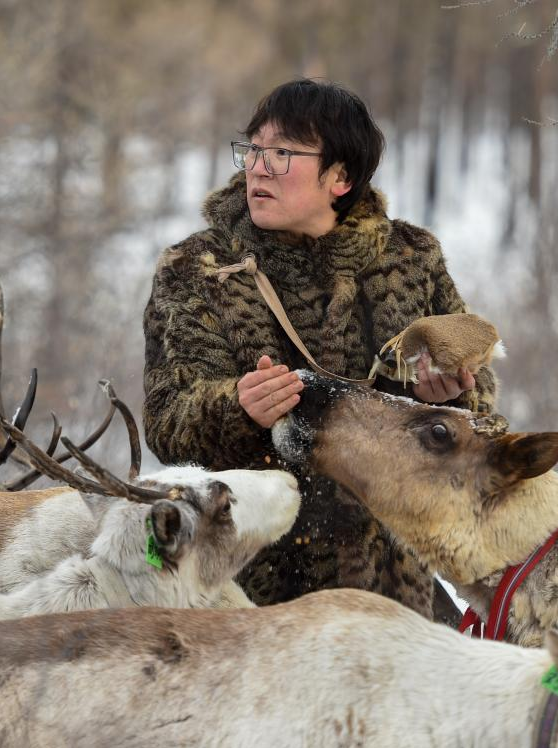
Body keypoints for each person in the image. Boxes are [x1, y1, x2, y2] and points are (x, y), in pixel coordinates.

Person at [142, 78, 497, 621]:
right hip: (252, 597)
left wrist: (452, 397)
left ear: (341, 177)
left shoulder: (412, 259)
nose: (258, 167)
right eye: (253, 149)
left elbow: (486, 421)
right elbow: (167, 424)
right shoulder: (199, 270)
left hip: (397, 592)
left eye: (282, 153)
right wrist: (237, 409)